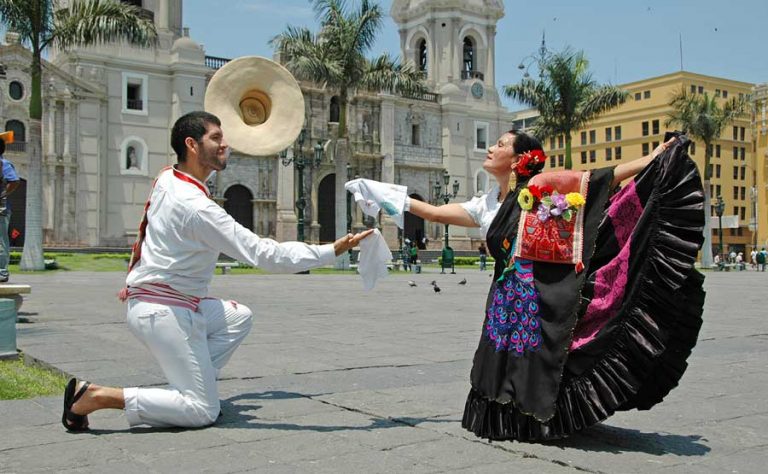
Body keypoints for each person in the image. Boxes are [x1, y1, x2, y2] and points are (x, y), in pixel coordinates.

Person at [350, 129, 705, 441]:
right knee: (501, 356)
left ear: (519, 158)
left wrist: (652, 159)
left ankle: (542, 419)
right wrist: (384, 193)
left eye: (500, 144)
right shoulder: (487, 203)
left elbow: (601, 178)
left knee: (539, 355)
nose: (491, 148)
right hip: (504, 296)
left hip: (540, 293)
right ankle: (510, 420)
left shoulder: (542, 187)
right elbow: (433, 212)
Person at [61, 111, 372, 431]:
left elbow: (146, 233)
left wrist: (134, 279)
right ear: (191, 145)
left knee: (238, 317)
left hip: (160, 302)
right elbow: (265, 255)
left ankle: (194, 387)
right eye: (216, 138)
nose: (226, 144)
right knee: (201, 412)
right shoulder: (197, 208)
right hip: (164, 311)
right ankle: (97, 396)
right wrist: (330, 250)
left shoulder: (168, 177)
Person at [0, 138, 20, 283]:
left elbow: (14, 181)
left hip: (0, 210)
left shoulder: (3, 164)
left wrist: (2, 195)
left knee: (0, 241)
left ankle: (1, 271)